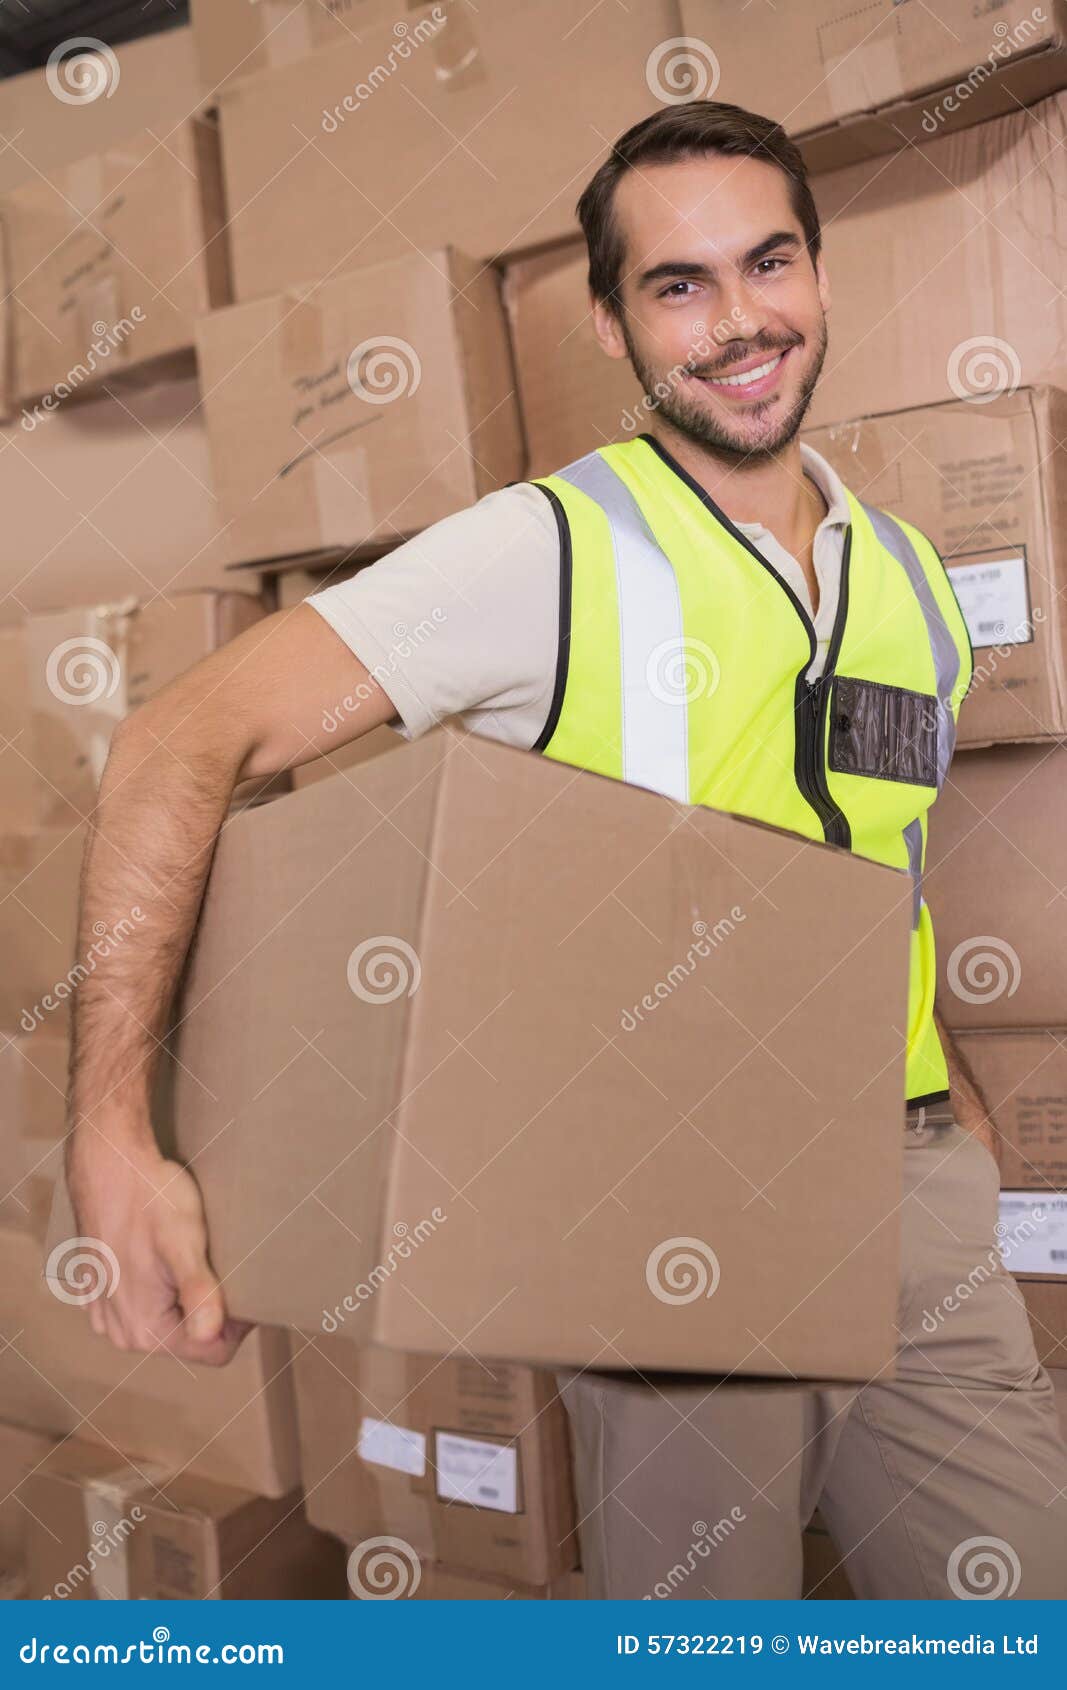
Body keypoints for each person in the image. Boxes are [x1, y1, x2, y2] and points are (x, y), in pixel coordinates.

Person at [64, 101, 1067, 1598]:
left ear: (819, 273)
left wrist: (959, 1112)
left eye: (768, 263)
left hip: (912, 1180)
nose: (740, 321)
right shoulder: (544, 553)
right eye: (679, 285)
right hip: (671, 1212)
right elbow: (174, 744)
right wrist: (112, 1133)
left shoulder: (910, 578)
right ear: (612, 324)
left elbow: (885, 862)